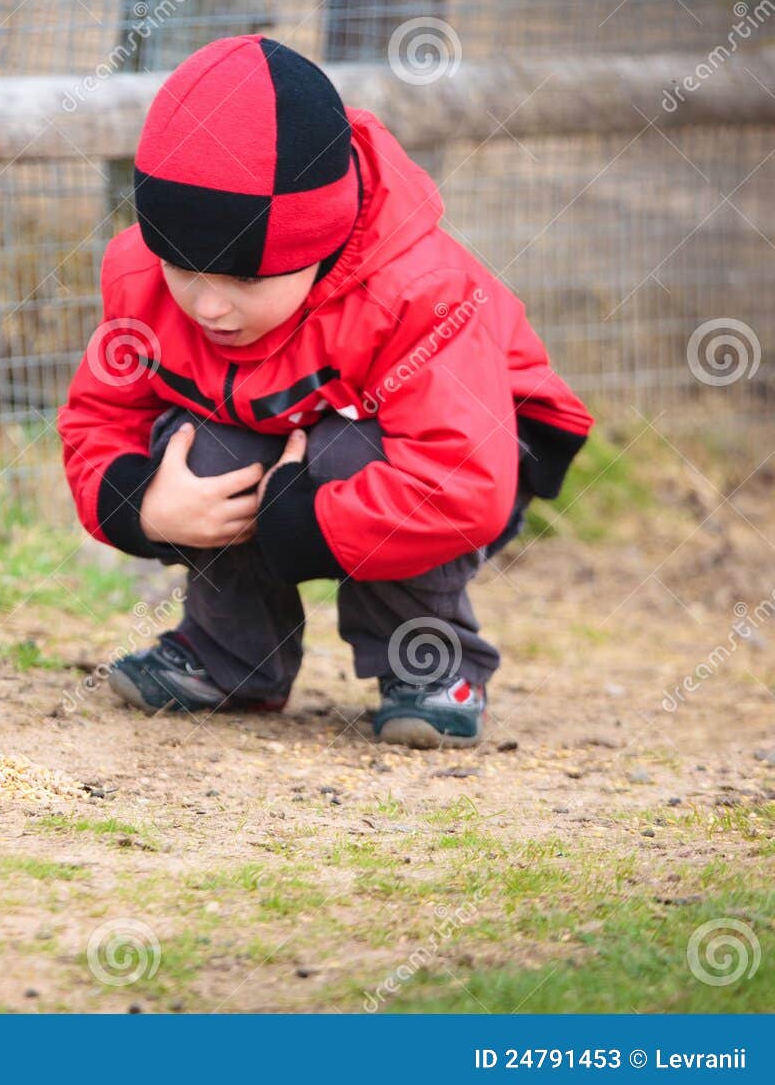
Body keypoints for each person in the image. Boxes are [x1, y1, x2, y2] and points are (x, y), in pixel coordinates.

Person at [58, 36, 593, 748]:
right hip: (293, 426)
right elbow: (100, 417)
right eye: (184, 269)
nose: (208, 305)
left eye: (245, 279)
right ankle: (229, 657)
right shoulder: (141, 277)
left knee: (349, 453)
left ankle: (432, 667)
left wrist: (306, 524)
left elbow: (461, 479)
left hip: (480, 451)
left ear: (319, 246)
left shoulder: (418, 292)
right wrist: (144, 505)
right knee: (205, 452)